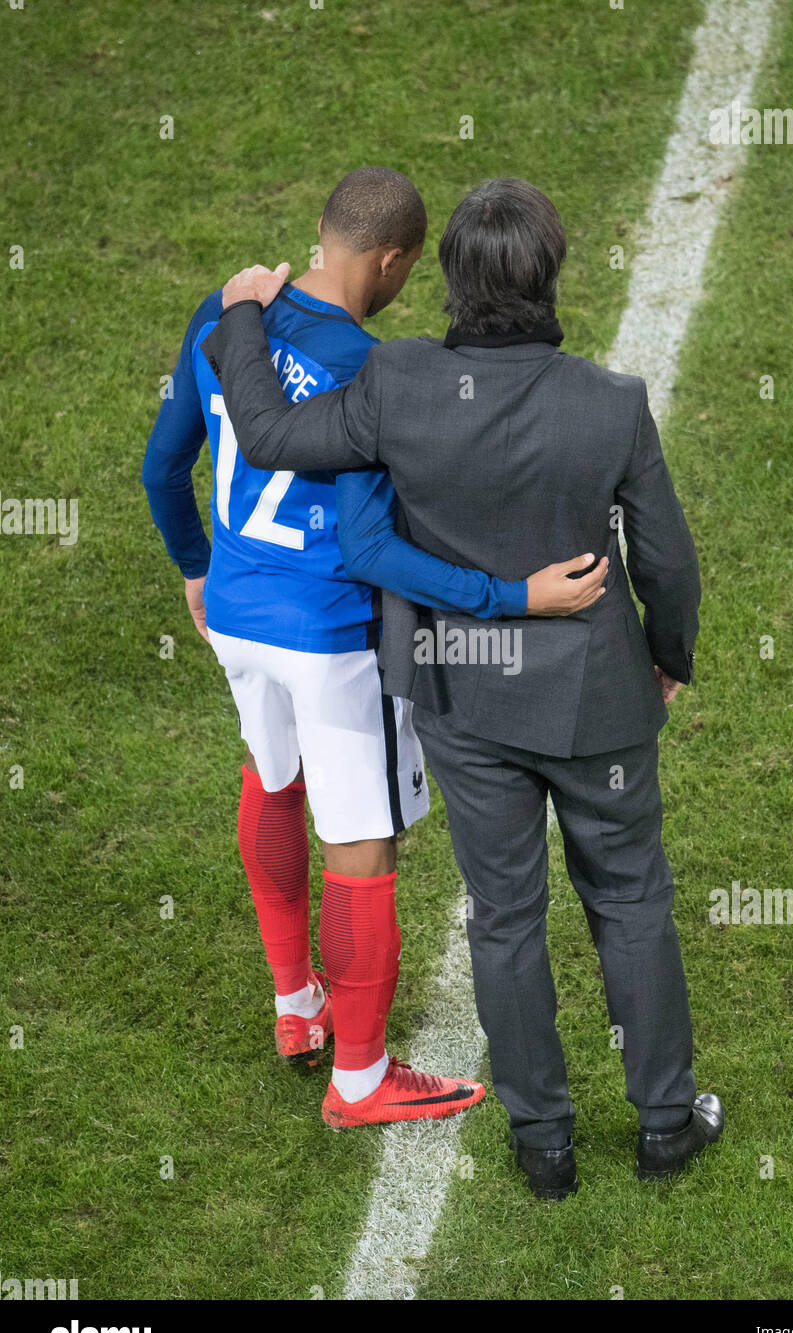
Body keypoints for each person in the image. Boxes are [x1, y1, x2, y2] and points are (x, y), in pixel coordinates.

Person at [198, 176, 723, 1198]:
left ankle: (545, 1144)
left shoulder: (395, 384)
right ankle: (665, 1122)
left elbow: (265, 434)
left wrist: (241, 317)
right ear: (550, 276)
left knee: (504, 915)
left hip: (463, 699)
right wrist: (672, 657)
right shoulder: (609, 405)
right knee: (631, 902)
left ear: (445, 280)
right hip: (596, 704)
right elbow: (668, 559)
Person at [142, 168, 607, 1131]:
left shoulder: (223, 312)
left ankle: (294, 1003)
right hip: (331, 638)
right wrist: (513, 599)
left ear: (321, 235)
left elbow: (162, 467)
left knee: (271, 779)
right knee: (362, 848)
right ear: (393, 260)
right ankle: (359, 1078)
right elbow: (381, 547)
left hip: (235, 614)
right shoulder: (378, 370)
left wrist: (196, 568)